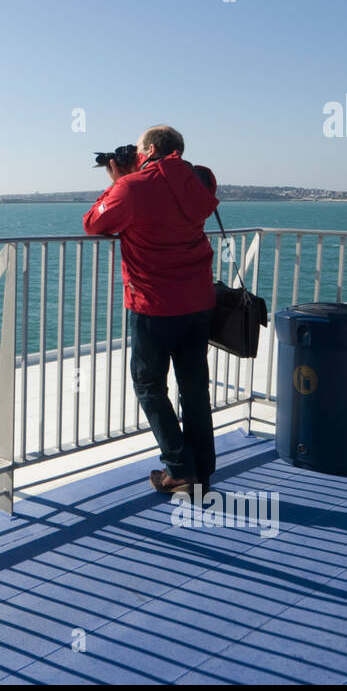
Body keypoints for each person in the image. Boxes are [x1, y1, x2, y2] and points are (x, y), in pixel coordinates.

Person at [83, 125, 219, 496]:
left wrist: (118, 180)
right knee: (194, 388)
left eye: (140, 150)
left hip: (154, 304)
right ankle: (203, 471)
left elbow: (94, 223)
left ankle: (179, 470)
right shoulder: (201, 179)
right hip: (198, 301)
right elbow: (184, 186)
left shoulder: (131, 187)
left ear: (153, 148)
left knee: (148, 384)